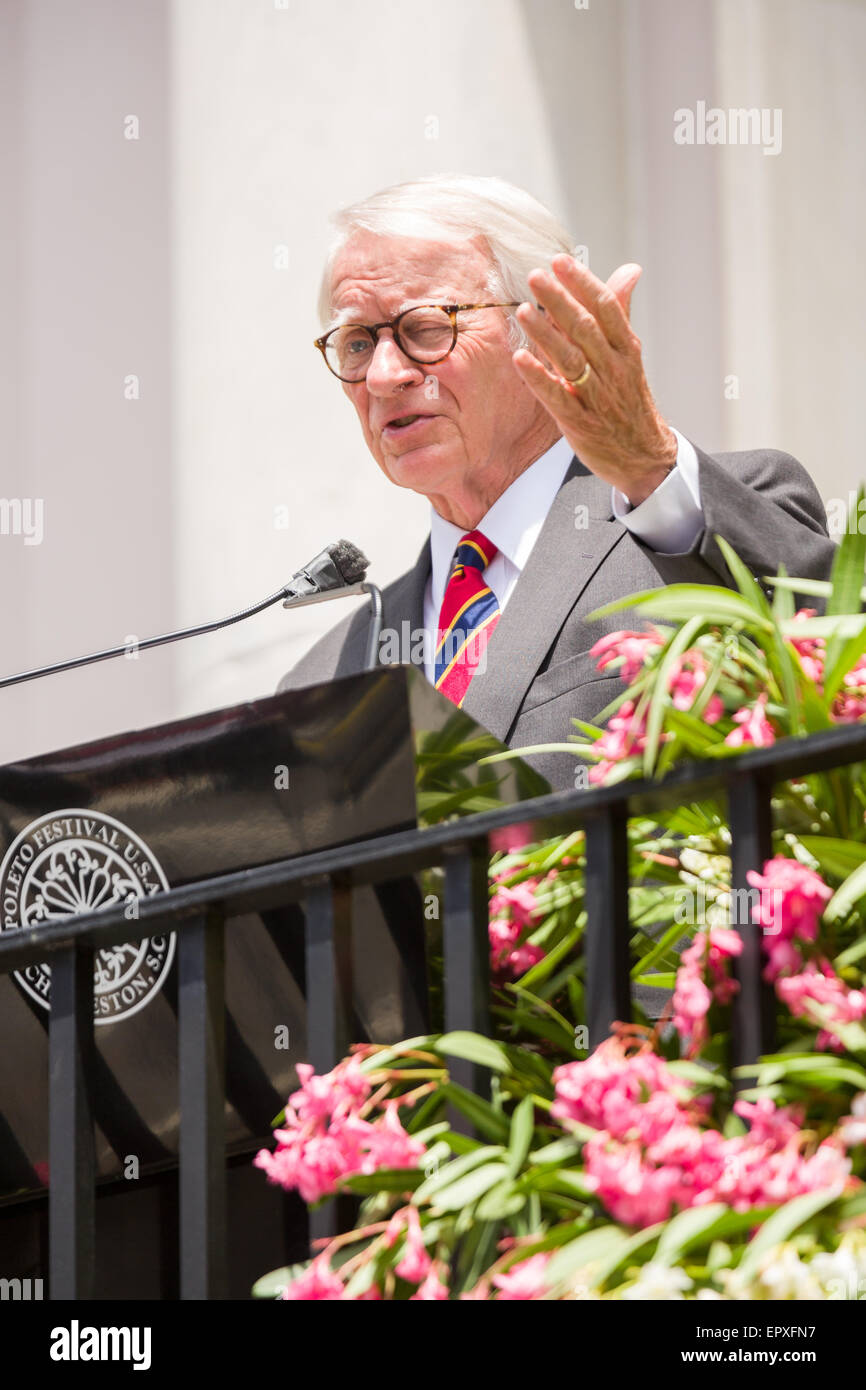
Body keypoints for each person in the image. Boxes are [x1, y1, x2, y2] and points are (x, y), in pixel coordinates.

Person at [278, 174, 834, 790]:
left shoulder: (692, 517)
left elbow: (841, 657)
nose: (383, 375)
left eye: (426, 328)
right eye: (357, 342)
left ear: (544, 333)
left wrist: (651, 468)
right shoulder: (324, 682)